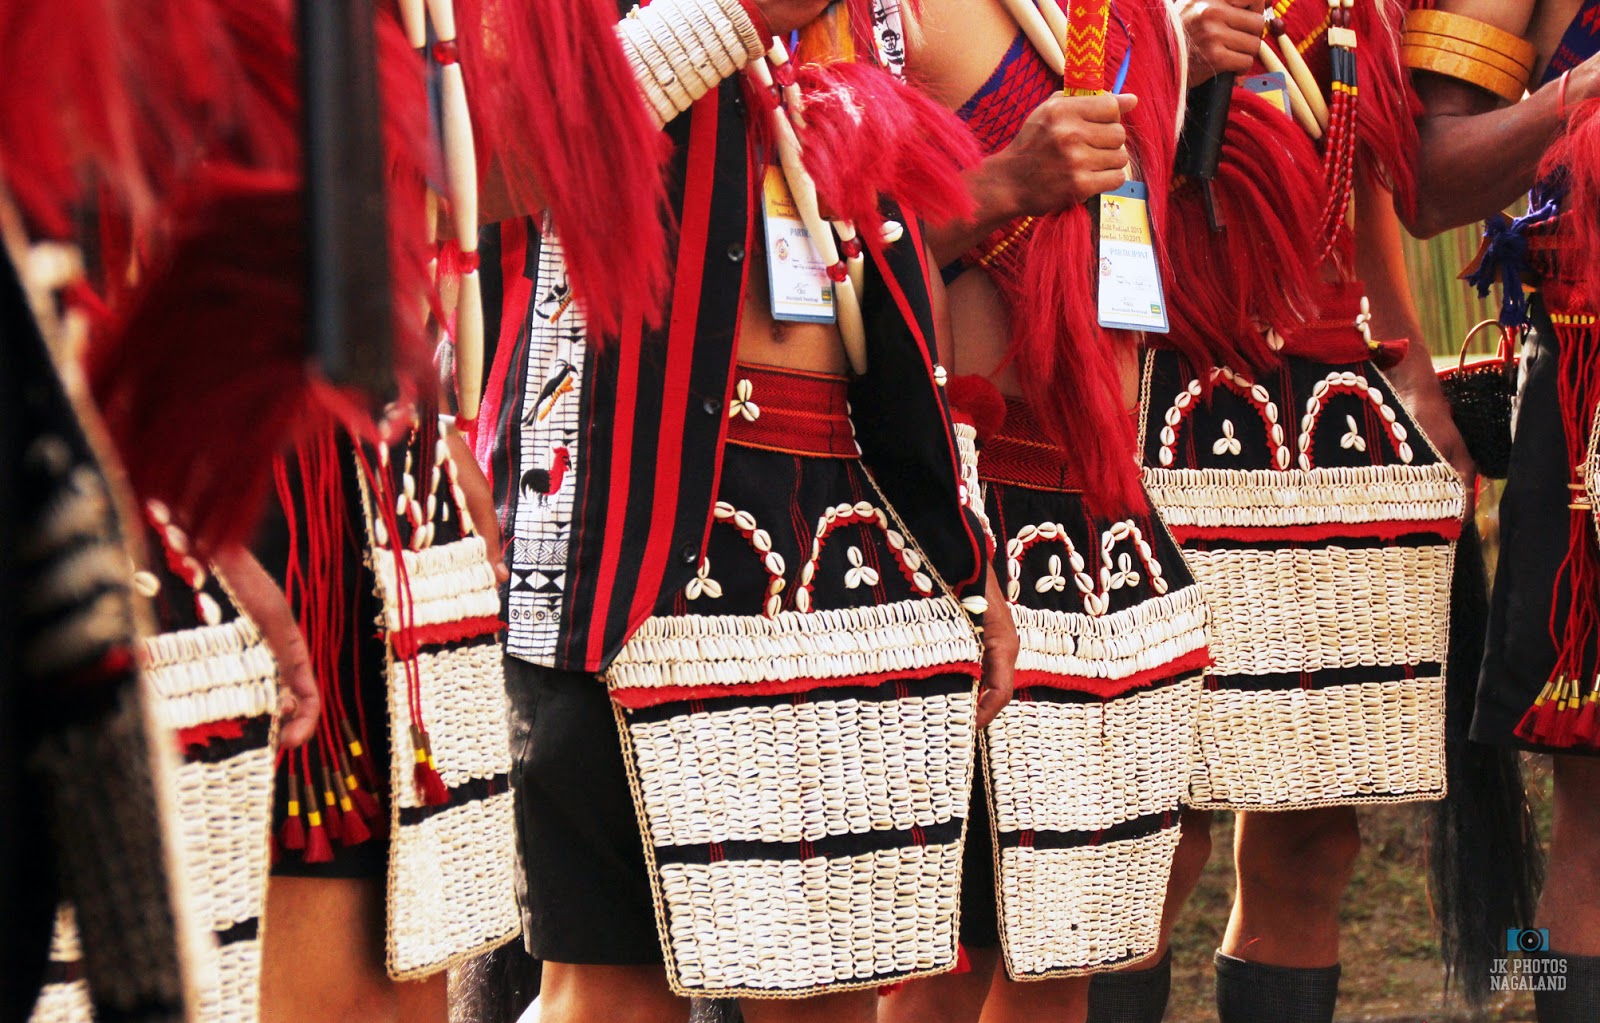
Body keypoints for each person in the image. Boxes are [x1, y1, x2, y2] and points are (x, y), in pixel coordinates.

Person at [472, 2, 1019, 1021]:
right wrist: (733, 11)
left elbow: (889, 296)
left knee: (832, 983)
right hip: (615, 537)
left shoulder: (857, 22)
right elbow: (492, 162)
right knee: (608, 993)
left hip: (835, 544)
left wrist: (961, 560)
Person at [1110, 1, 1469, 1021]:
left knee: (1314, 836)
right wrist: (1166, 58)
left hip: (1324, 408)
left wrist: (1412, 369)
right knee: (1139, 839)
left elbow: (1351, 178)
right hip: (1143, 387)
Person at [876, 2, 1211, 1022]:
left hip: (1102, 503)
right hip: (966, 503)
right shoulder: (894, 17)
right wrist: (1005, 186)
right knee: (942, 959)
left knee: (1066, 949)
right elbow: (849, 262)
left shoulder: (1147, 21)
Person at [1405, 2, 1600, 1019]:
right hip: (1587, 383)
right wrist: (1585, 90)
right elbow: (1428, 183)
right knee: (1593, 803)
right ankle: (1541, 993)